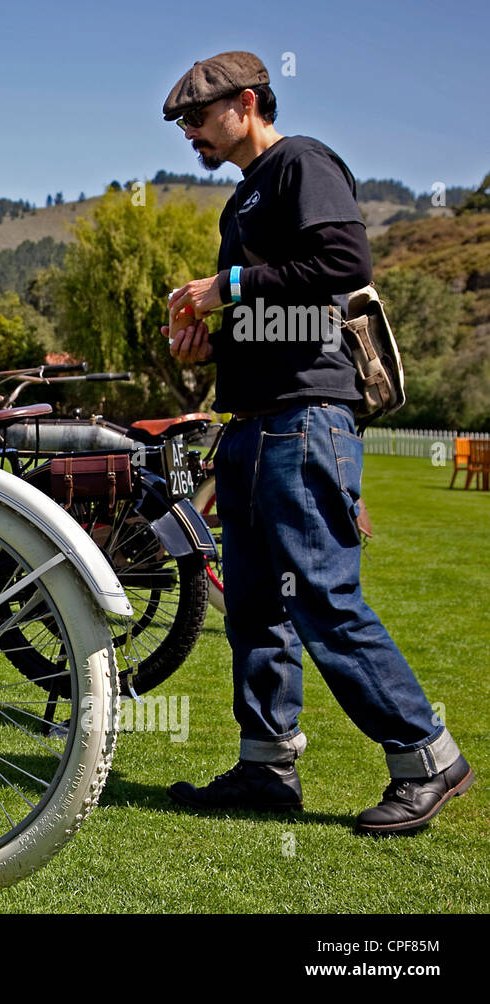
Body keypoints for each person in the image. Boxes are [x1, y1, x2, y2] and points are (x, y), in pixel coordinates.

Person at [161, 51, 472, 833]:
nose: (189, 132)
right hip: (254, 425)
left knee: (326, 601)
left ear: (247, 102)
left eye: (197, 116)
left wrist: (224, 288)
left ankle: (427, 756)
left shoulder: (302, 162)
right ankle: (266, 766)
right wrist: (212, 343)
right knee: (256, 609)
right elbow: (278, 312)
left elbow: (342, 264)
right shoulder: (239, 203)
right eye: (181, 124)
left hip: (307, 422)